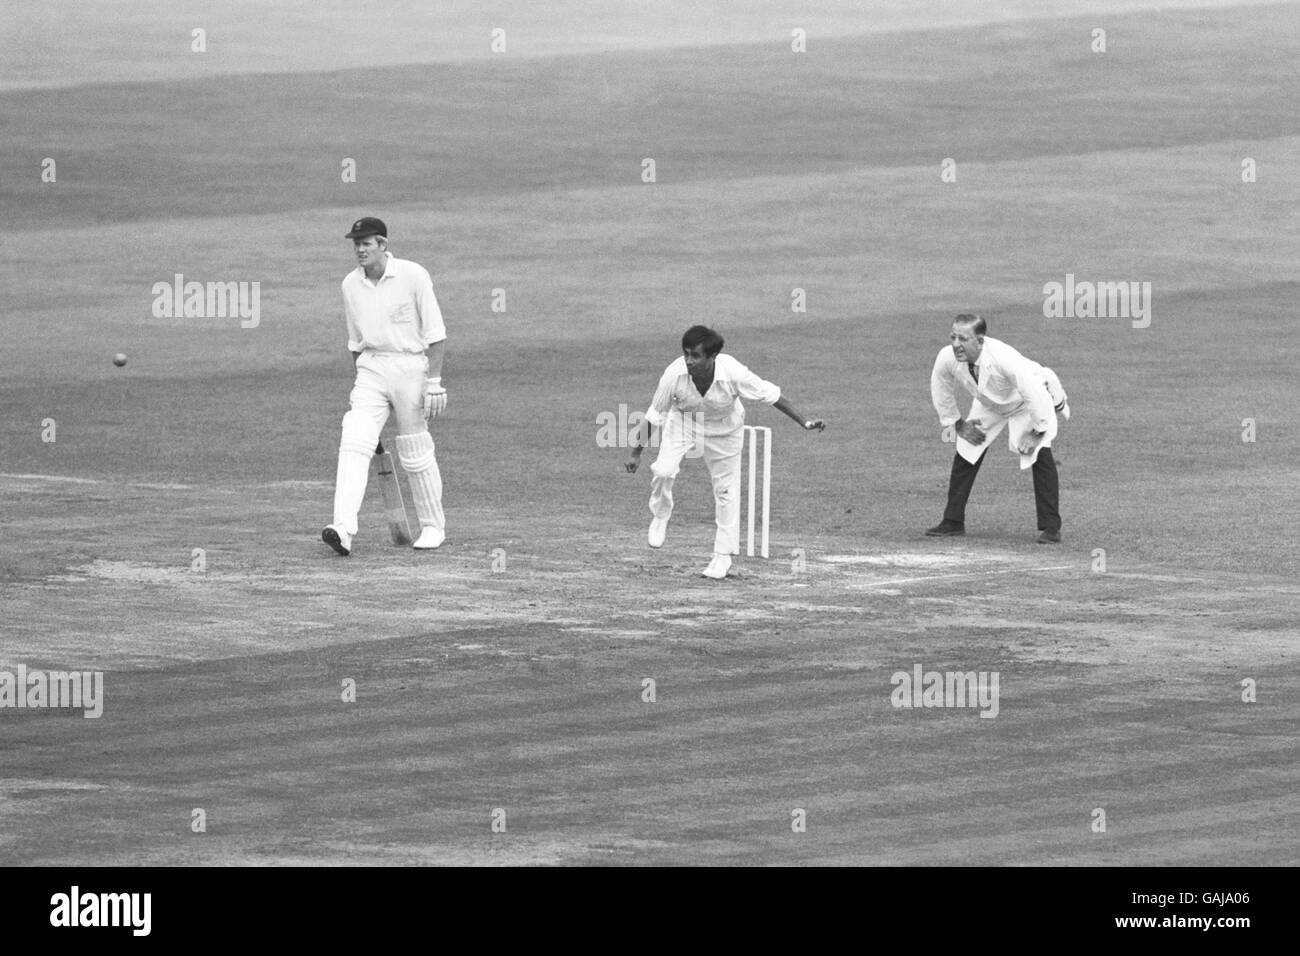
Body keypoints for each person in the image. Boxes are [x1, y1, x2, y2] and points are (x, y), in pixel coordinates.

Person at [624, 326, 825, 578]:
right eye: (686, 353)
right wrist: (636, 453)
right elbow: (654, 416)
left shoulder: (732, 371)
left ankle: (721, 557)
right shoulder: (673, 375)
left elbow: (771, 396)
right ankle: (661, 514)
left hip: (725, 430)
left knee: (726, 491)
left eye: (695, 355)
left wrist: (804, 422)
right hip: (684, 423)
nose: (688, 360)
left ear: (712, 357)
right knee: (663, 471)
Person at [322, 217, 448, 556]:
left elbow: (436, 335)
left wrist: (434, 383)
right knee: (354, 438)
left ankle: (433, 526)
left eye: (366, 243)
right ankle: (343, 527)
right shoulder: (350, 284)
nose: (360, 249)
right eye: (356, 244)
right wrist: (363, 389)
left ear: (383, 244)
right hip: (371, 367)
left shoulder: (413, 275)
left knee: (414, 450)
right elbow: (354, 343)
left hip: (410, 366)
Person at [926, 313, 1070, 543]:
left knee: (1038, 453)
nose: (955, 345)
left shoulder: (1004, 358)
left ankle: (1051, 527)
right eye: (953, 337)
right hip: (990, 403)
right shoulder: (946, 357)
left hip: (1026, 403)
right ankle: (952, 521)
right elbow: (940, 386)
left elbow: (1034, 393)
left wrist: (1037, 432)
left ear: (980, 340)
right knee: (967, 446)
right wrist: (957, 424)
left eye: (963, 339)